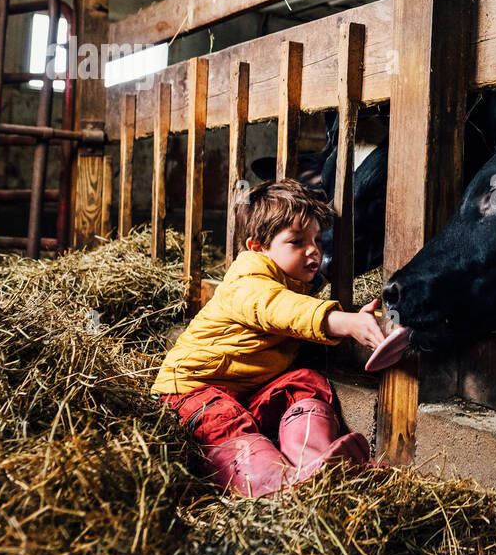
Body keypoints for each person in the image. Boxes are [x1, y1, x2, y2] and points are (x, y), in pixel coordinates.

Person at [151, 178, 386, 497]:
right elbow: (280, 308)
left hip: (244, 392)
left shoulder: (292, 283)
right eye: (297, 241)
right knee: (224, 418)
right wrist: (344, 321)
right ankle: (274, 485)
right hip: (190, 393)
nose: (313, 250)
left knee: (304, 382)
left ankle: (316, 461)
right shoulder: (248, 281)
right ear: (257, 247)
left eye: (317, 239)